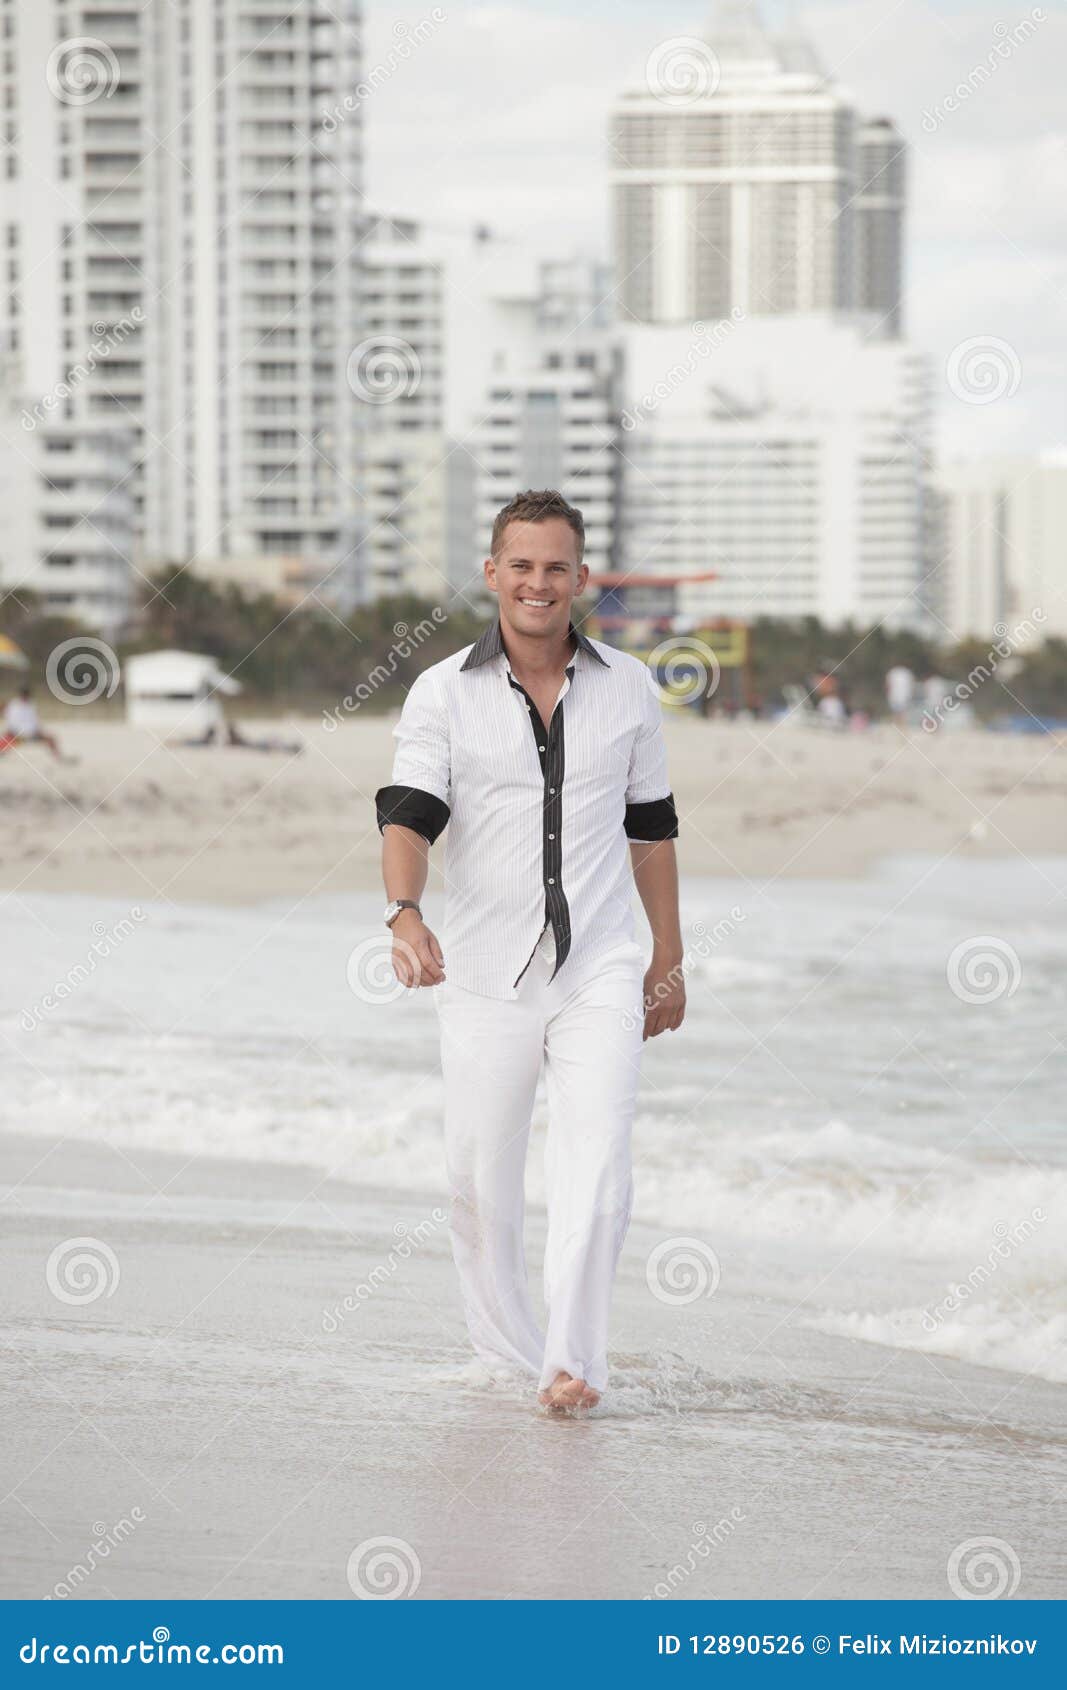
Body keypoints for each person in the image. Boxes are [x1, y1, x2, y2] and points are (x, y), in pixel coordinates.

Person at [374, 489, 686, 1413]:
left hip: (599, 968)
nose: (539, 583)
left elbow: (653, 831)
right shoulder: (442, 691)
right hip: (481, 972)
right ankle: (507, 1356)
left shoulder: (628, 685)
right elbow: (409, 814)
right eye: (522, 565)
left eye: (556, 567)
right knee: (479, 1180)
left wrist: (666, 956)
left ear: (581, 577)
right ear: (492, 574)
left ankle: (571, 1364)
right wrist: (403, 912)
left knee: (599, 1162)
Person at [3, 686, 68, 761]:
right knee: (5, 739)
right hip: (17, 734)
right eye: (24, 694)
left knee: (50, 739)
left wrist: (37, 731)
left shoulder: (31, 705)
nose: (25, 696)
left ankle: (58, 758)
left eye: (26, 695)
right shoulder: (14, 705)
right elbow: (11, 721)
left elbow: (35, 721)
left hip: (32, 734)